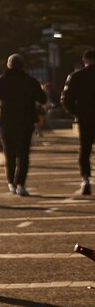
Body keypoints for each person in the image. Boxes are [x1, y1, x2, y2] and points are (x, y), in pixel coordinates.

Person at [0, 53, 48, 196]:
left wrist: (0, 103)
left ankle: (11, 182)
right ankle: (20, 183)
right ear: (23, 65)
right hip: (26, 121)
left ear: (8, 65)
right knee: (23, 154)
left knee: (9, 153)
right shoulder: (30, 81)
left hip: (7, 121)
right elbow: (43, 99)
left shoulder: (1, 81)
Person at [65, 48, 95, 198]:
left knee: (85, 149)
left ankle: (85, 179)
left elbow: (66, 99)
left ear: (84, 60)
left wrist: (76, 113)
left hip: (85, 118)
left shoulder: (76, 76)